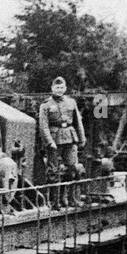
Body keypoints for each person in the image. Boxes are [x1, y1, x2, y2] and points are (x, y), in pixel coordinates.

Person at [37, 76, 86, 207]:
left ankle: (70, 199)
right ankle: (55, 201)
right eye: (57, 88)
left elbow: (77, 121)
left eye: (61, 88)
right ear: (52, 89)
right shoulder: (46, 105)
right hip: (54, 139)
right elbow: (43, 125)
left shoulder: (71, 103)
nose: (59, 90)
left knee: (73, 168)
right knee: (53, 171)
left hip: (70, 138)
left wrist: (81, 138)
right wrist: (49, 142)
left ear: (65, 88)